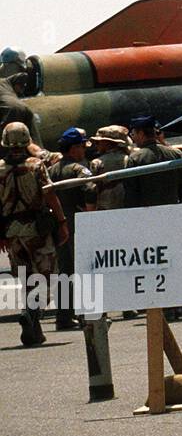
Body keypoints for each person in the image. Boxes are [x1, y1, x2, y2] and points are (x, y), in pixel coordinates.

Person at [0, 122, 68, 346]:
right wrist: (62, 221)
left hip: (11, 231)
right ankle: (32, 311)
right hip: (36, 228)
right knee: (47, 276)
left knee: (25, 277)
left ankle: (33, 328)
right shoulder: (36, 165)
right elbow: (50, 196)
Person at [123, 115, 182, 320]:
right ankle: (176, 305)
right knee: (173, 262)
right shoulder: (176, 154)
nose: (132, 137)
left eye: (133, 133)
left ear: (140, 133)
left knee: (152, 264)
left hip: (147, 221)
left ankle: (159, 307)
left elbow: (131, 194)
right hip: (173, 217)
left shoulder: (135, 159)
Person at [48, 128, 97, 331]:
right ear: (73, 148)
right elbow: (91, 189)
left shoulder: (51, 170)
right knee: (84, 269)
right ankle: (86, 314)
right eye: (81, 146)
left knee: (64, 271)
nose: (84, 151)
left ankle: (64, 317)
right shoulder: (79, 169)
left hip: (58, 224)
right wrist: (90, 213)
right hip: (78, 223)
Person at [88, 126, 132, 211]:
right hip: (128, 207)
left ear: (108, 143)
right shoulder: (129, 159)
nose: (96, 145)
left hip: (105, 209)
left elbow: (91, 190)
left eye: (98, 142)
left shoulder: (97, 163)